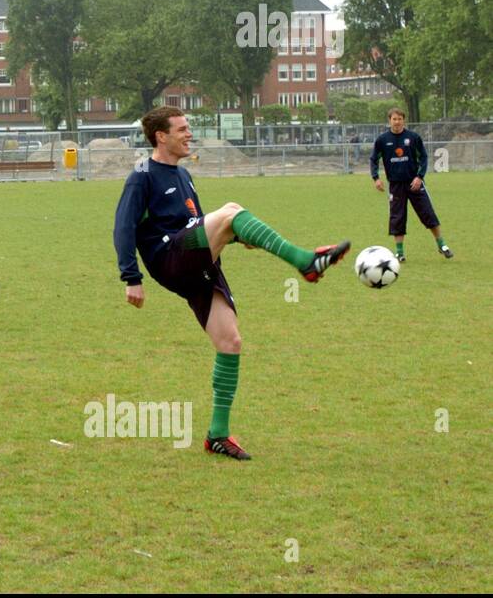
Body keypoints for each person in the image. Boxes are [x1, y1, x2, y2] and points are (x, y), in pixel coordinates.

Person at [114, 106, 351, 461]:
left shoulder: (184, 175)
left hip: (198, 261)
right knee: (231, 210)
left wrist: (238, 236)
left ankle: (218, 435)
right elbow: (123, 227)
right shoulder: (142, 175)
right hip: (170, 256)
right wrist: (131, 277)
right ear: (160, 136)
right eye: (181, 129)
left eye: (188, 127)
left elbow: (201, 224)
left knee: (230, 341)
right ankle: (305, 262)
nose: (188, 133)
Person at [369, 108, 453, 262]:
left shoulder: (413, 137)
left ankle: (442, 245)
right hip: (395, 186)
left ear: (404, 120)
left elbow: (424, 157)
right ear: (390, 121)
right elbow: (373, 159)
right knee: (397, 218)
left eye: (400, 118)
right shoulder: (382, 140)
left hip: (414, 184)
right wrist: (376, 178)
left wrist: (419, 177)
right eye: (394, 119)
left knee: (428, 213)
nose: (397, 122)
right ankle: (399, 253)